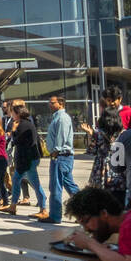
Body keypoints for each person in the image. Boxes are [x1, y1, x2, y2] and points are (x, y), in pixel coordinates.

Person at [8, 106, 48, 219]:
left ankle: (43, 209)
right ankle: (13, 205)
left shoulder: (22, 125)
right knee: (16, 180)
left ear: (18, 114)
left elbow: (16, 141)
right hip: (28, 158)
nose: (12, 115)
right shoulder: (27, 123)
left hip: (28, 159)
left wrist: (13, 130)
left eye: (13, 113)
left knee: (35, 183)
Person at [83, 91, 126, 197]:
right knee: (118, 199)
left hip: (101, 169)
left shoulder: (99, 135)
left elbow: (91, 151)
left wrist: (91, 135)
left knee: (101, 199)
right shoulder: (124, 134)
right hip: (119, 169)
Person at [45, 94, 80, 223]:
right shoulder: (57, 118)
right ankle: (85, 211)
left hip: (61, 156)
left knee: (56, 187)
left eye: (52, 102)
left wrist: (55, 152)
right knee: (69, 186)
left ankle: (55, 216)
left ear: (61, 104)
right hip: (61, 157)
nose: (50, 104)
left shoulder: (62, 118)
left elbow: (61, 137)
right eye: (49, 102)